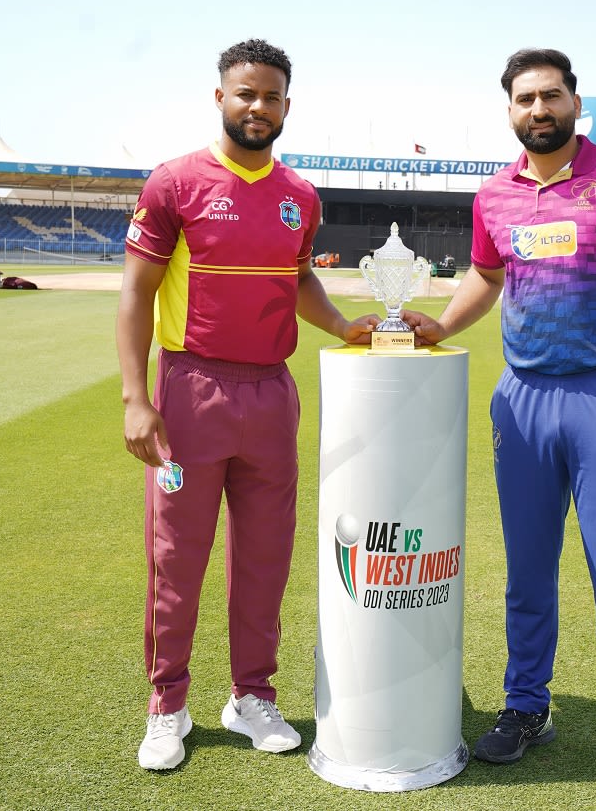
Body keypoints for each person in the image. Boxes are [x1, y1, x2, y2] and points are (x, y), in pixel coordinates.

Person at [402, 48, 596, 798]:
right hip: (523, 400)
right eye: (526, 98)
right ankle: (528, 705)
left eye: (551, 96)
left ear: (574, 102)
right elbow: (487, 277)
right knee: (528, 571)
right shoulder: (494, 195)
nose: (539, 109)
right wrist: (439, 326)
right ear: (509, 110)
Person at [117, 38, 377, 771]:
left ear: (287, 106)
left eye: (270, 96)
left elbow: (299, 285)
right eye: (244, 93)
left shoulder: (300, 197)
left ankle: (251, 694)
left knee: (264, 557)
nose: (257, 107)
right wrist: (137, 398)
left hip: (270, 394)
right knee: (177, 557)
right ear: (221, 97)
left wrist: (347, 325)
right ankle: (167, 703)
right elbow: (136, 292)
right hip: (190, 392)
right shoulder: (174, 183)